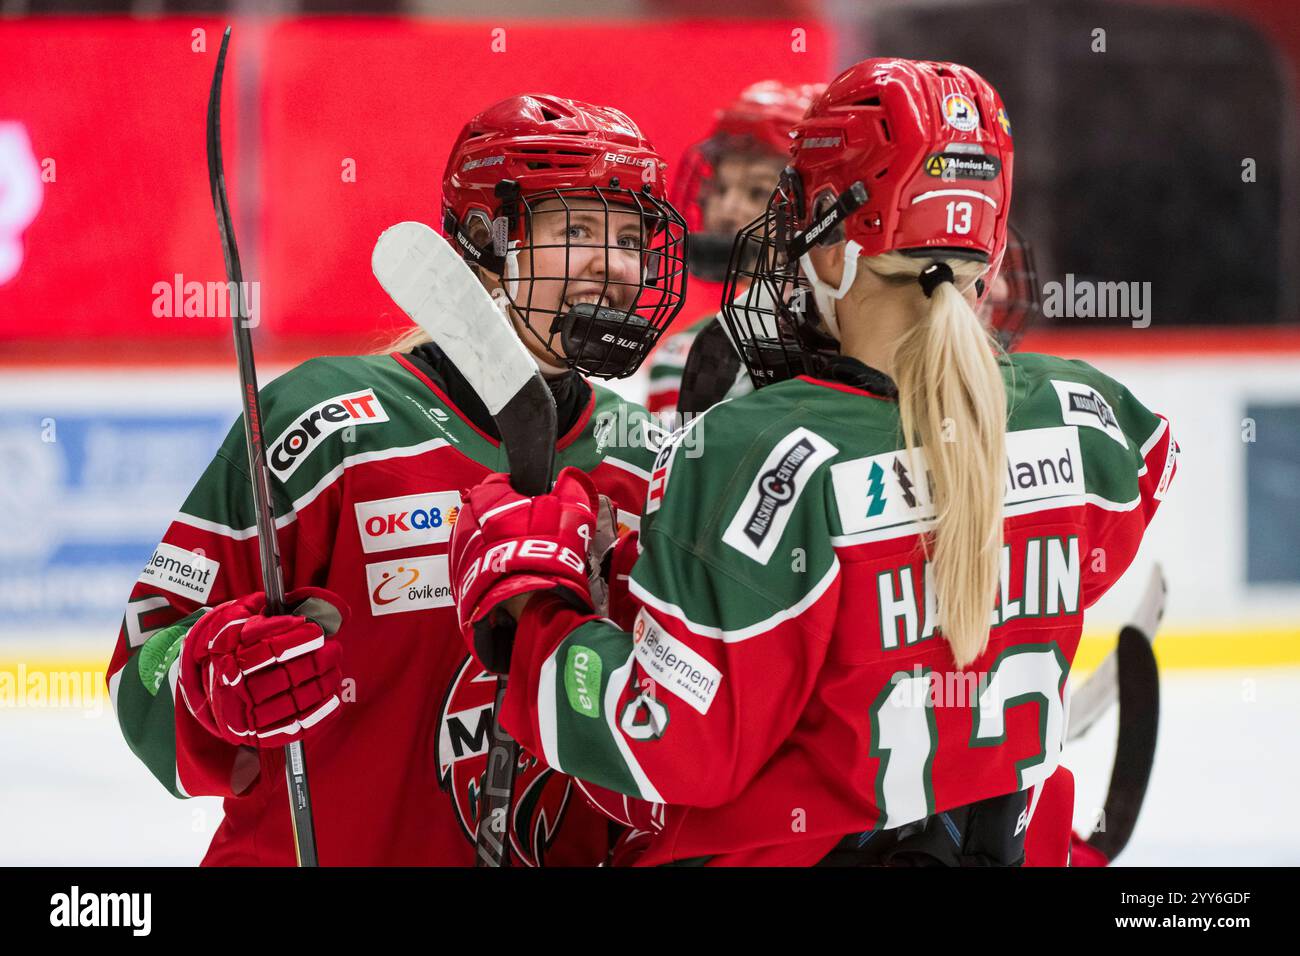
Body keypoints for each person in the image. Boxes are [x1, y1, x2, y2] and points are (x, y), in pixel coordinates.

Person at [446, 58, 1179, 866]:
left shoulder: (758, 448)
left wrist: (533, 613)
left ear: (835, 250)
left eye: (791, 205)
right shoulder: (1088, 416)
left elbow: (663, 745)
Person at [105, 93, 686, 866]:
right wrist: (207, 675)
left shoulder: (645, 456)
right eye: (577, 231)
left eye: (630, 237)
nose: (615, 268)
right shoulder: (329, 423)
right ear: (484, 240)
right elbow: (141, 660)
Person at [645, 81, 823, 421]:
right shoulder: (681, 356)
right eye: (720, 188)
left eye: (756, 192)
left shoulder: (859, 343)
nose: (725, 211)